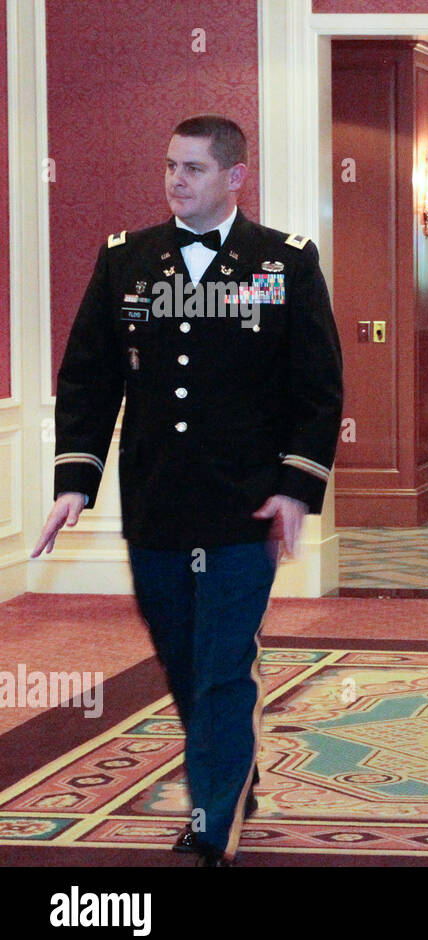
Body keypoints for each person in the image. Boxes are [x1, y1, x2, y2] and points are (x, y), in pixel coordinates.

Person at [33, 114, 344, 866]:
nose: (177, 180)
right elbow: (88, 377)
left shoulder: (285, 264)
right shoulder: (126, 260)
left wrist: (297, 487)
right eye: (171, 166)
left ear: (235, 176)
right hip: (158, 501)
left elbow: (317, 386)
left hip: (245, 505)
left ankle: (212, 823)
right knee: (181, 661)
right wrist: (76, 480)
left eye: (195, 168)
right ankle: (234, 768)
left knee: (221, 667)